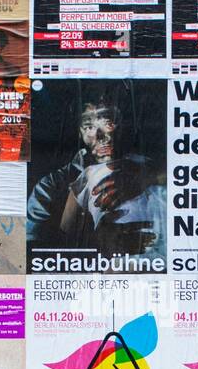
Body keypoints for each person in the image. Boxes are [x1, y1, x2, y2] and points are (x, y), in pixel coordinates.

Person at [26, 85, 164, 261]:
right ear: (79, 132)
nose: (98, 135)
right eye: (89, 127)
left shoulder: (145, 165)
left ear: (123, 124)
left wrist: (150, 175)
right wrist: (96, 242)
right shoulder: (52, 185)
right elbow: (31, 252)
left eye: (107, 122)